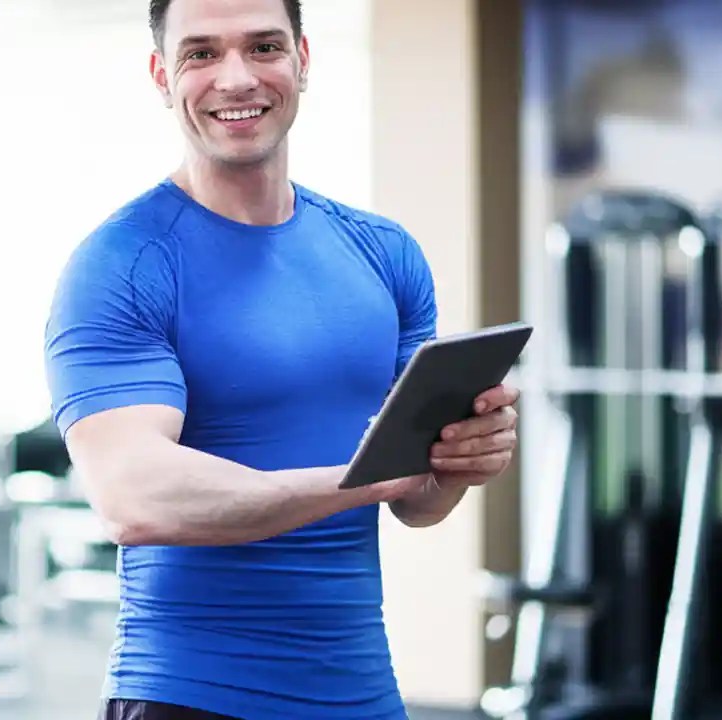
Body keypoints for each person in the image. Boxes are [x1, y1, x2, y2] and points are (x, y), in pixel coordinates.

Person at [42, 0, 521, 718]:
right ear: (162, 75)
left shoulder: (384, 254)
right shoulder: (122, 264)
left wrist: (461, 458)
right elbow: (134, 498)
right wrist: (368, 479)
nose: (236, 78)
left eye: (263, 47)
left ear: (302, 60)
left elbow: (417, 503)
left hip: (362, 693)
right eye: (201, 53)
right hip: (192, 695)